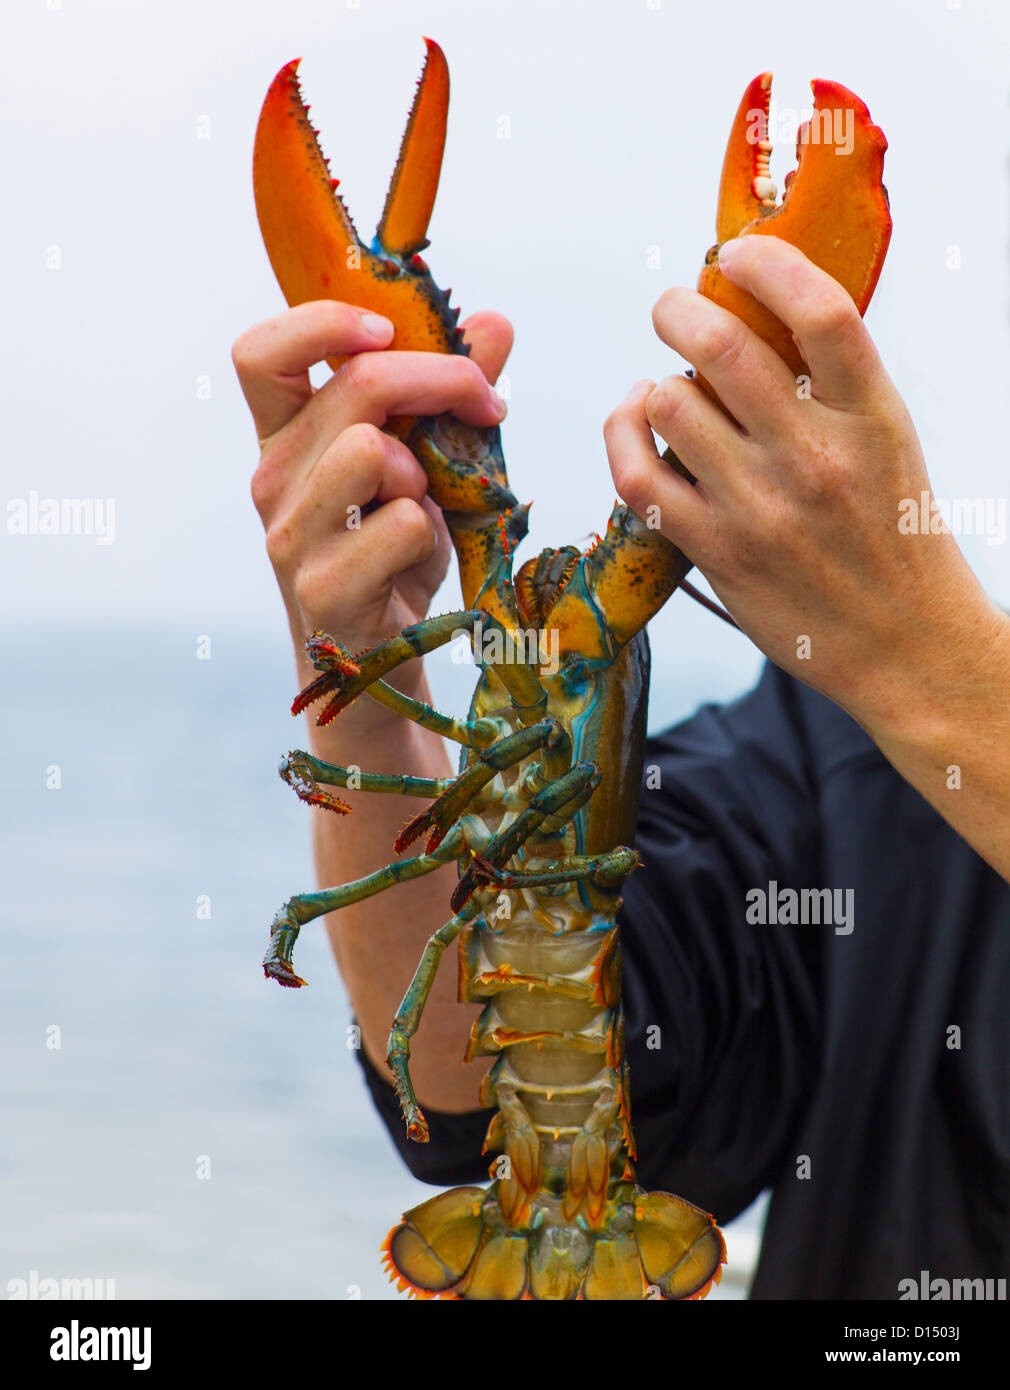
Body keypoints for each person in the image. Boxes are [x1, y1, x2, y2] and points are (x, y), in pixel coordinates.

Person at [233, 238, 1010, 1298]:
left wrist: (923, 658)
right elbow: (461, 1100)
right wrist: (362, 674)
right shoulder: (844, 762)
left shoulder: (892, 705)